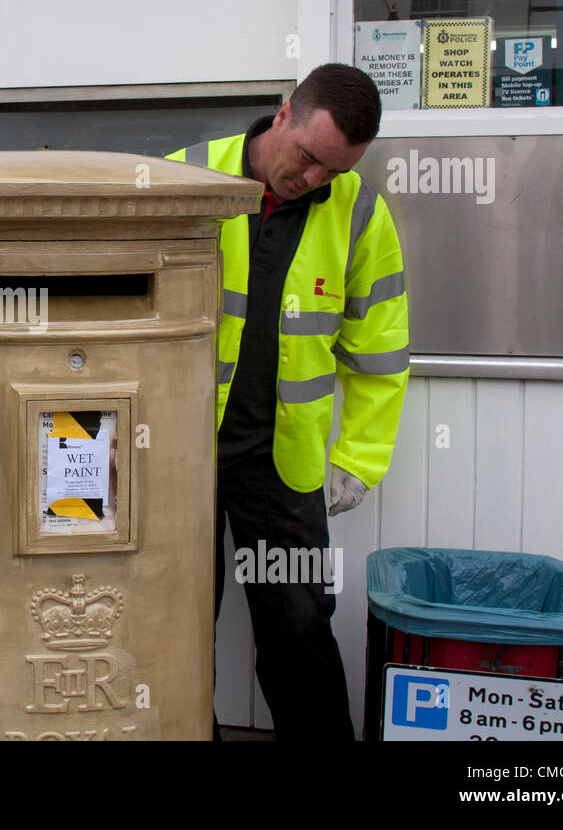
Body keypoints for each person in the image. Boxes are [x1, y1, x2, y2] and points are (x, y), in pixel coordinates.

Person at [167, 63, 409, 739]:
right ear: (282, 114)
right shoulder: (183, 178)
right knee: (177, 622)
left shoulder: (357, 209)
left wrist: (358, 457)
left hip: (282, 464)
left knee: (299, 623)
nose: (313, 181)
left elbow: (381, 348)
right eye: (307, 158)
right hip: (177, 453)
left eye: (332, 171)